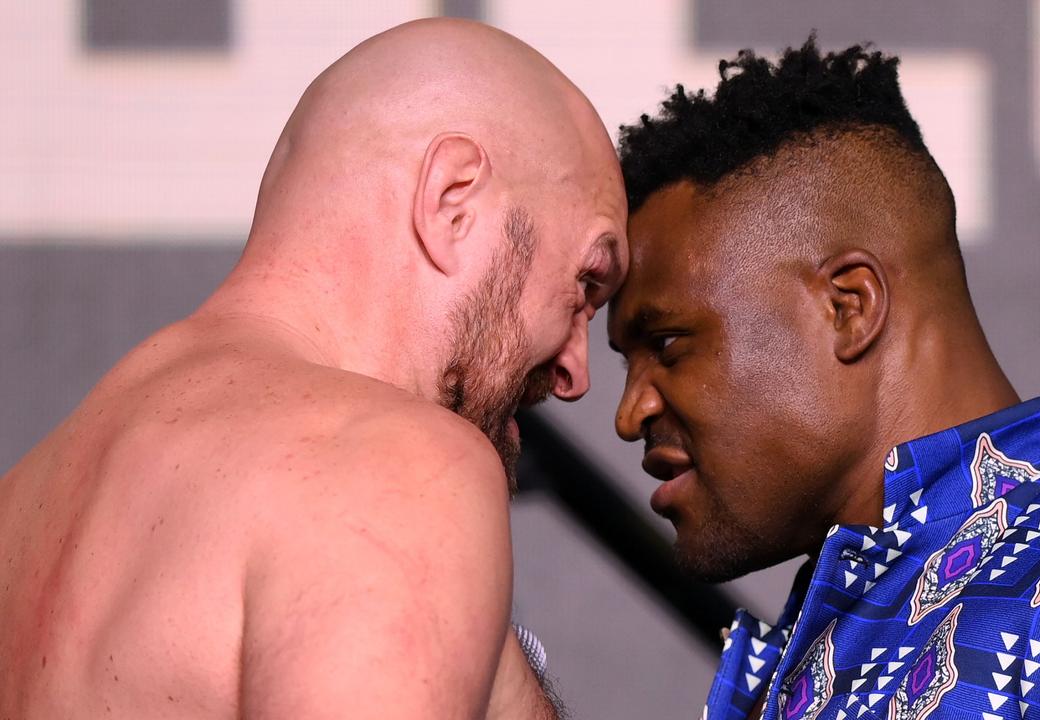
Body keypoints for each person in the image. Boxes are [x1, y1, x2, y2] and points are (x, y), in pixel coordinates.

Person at [608, 37, 1040, 720]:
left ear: (849, 308)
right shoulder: (815, 653)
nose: (628, 413)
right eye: (623, 361)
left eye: (666, 344)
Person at [0, 18, 625, 719]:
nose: (577, 372)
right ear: (452, 201)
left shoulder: (24, 504)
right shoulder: (393, 466)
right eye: (587, 283)